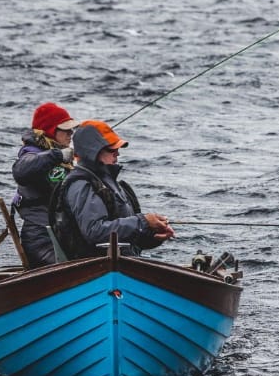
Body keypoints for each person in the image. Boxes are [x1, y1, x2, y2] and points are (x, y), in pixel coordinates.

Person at [56, 119, 175, 258]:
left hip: (123, 263)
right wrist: (143, 221)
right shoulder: (81, 184)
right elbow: (95, 231)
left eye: (117, 149)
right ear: (93, 151)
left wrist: (154, 233)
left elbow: (130, 235)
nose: (117, 153)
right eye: (112, 149)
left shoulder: (113, 183)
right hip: (94, 268)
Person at [11, 101, 80, 266]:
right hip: (40, 239)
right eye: (65, 129)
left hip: (63, 234)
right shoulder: (31, 154)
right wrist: (57, 155)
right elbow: (20, 171)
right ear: (50, 131)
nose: (71, 133)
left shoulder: (65, 159)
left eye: (71, 129)